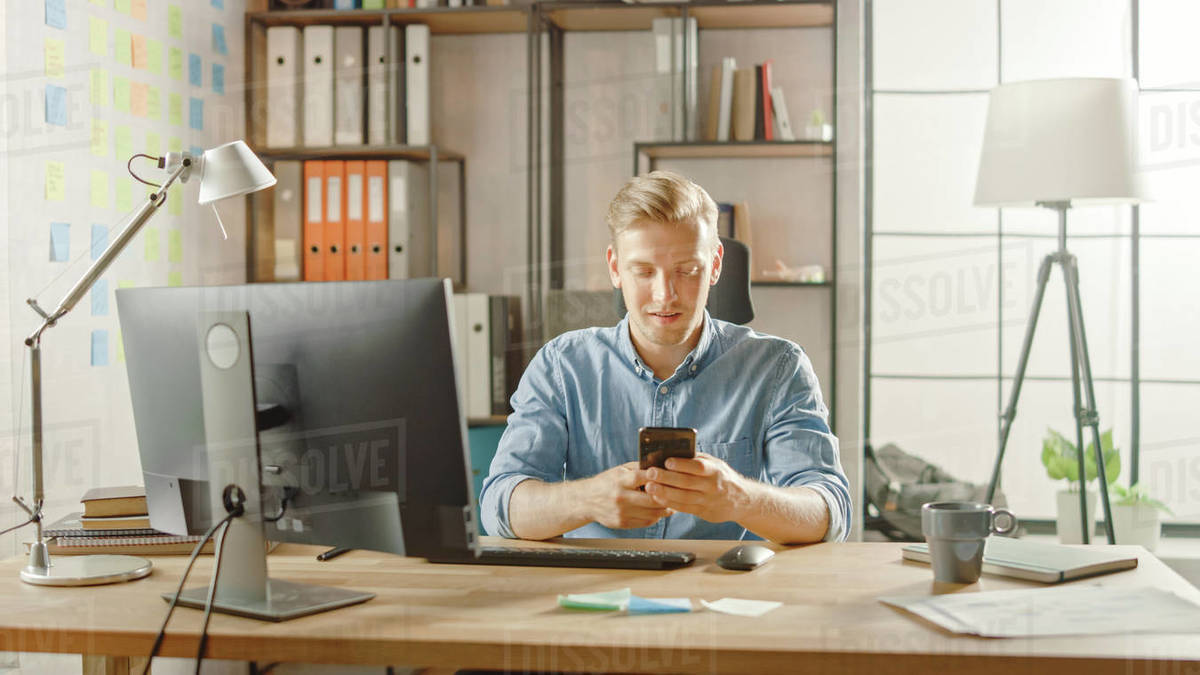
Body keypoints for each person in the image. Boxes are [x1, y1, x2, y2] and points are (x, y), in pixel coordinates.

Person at [479, 170, 851, 544]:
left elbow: (829, 512)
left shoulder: (778, 367)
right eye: (643, 271)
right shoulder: (562, 365)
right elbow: (499, 507)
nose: (665, 295)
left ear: (716, 264)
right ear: (614, 268)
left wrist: (739, 498)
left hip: (720, 589)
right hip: (594, 587)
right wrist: (586, 500)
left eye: (687, 271)